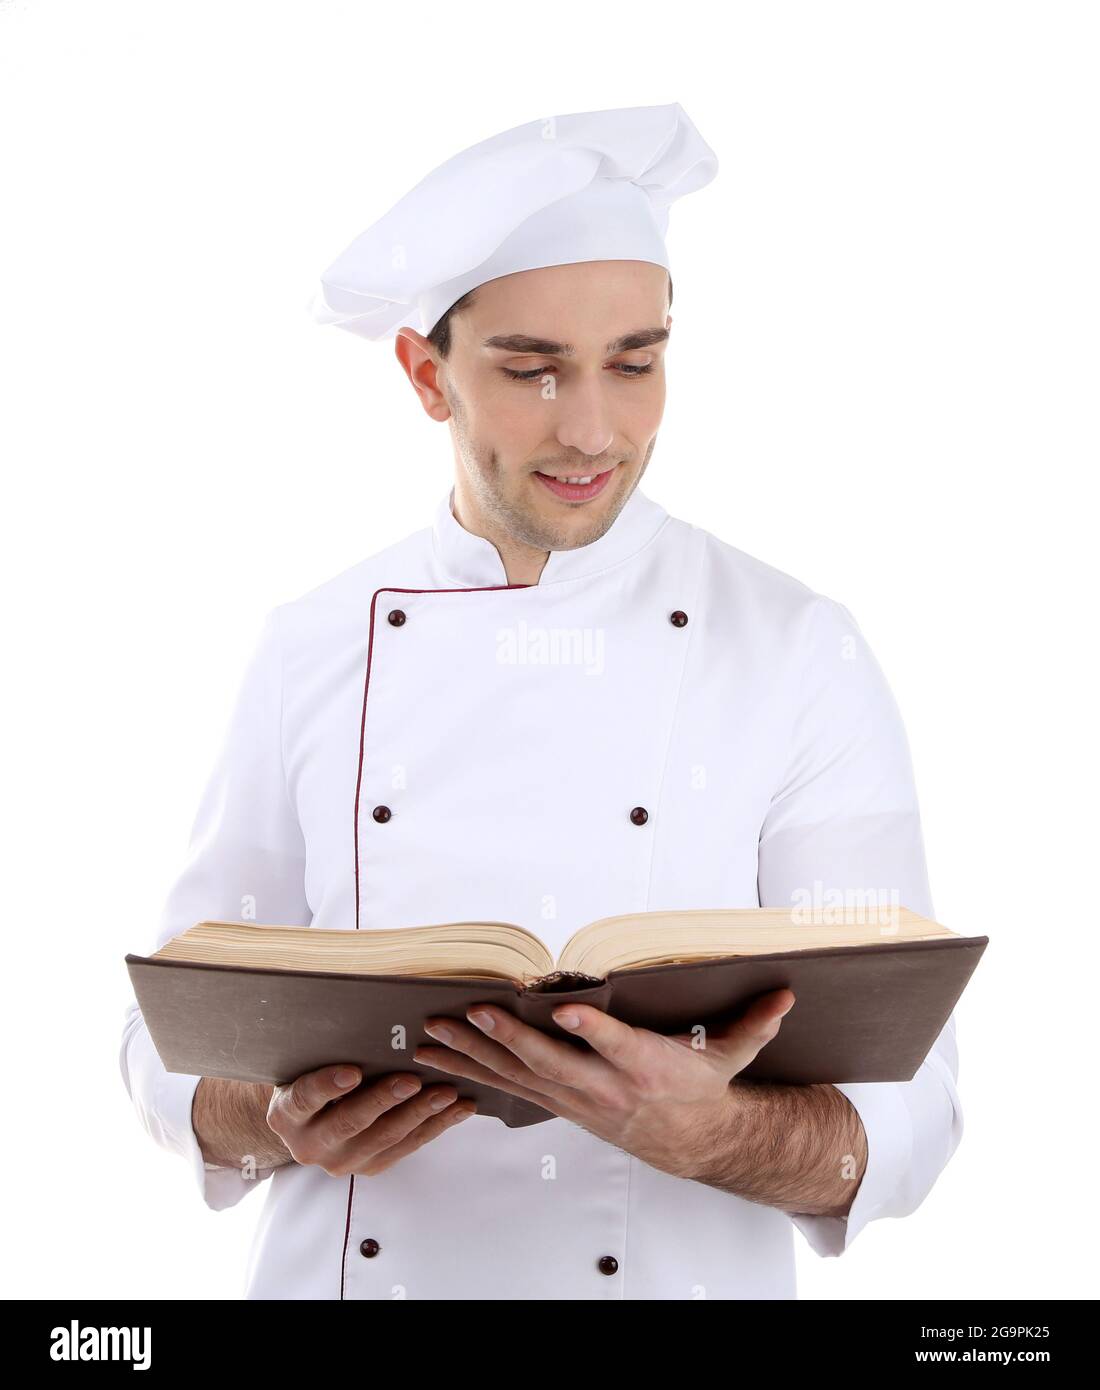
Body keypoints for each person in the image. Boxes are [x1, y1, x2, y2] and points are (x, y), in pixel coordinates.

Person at [120, 103, 963, 1300]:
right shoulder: (308, 645)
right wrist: (268, 1113)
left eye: (635, 361)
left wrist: (710, 1135)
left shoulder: (792, 648)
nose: (592, 429)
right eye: (531, 370)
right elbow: (165, 1037)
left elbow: (912, 1098)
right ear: (426, 375)